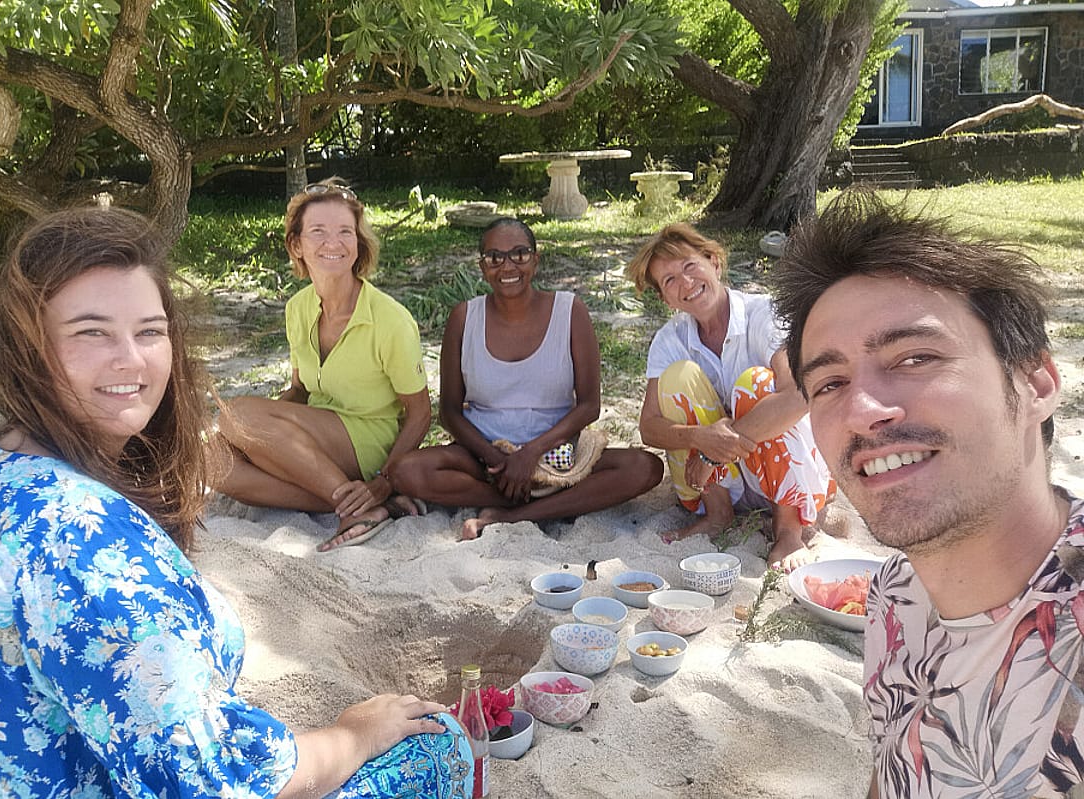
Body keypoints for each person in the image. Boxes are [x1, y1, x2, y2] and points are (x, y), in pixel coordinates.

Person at [0, 207, 471, 798]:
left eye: (149, 331)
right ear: (27, 348)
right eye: (92, 331)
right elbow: (222, 785)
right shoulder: (90, 546)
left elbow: (420, 408)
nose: (131, 359)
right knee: (437, 742)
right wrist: (355, 733)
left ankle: (355, 498)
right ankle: (348, 502)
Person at [772, 192, 1080, 799]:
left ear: (1036, 383)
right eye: (830, 383)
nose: (862, 411)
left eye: (915, 357)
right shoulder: (895, 591)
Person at [390, 217, 663, 540]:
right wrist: (499, 460)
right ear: (482, 266)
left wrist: (530, 454)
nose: (507, 266)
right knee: (407, 471)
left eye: (519, 254)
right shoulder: (465, 318)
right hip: (484, 458)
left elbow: (589, 405)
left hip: (559, 454)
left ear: (535, 259)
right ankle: (531, 501)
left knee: (646, 468)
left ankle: (516, 514)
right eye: (494, 257)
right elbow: (449, 411)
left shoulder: (569, 311)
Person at [215, 180, 432, 552]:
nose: (334, 242)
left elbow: (421, 414)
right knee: (211, 458)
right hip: (316, 440)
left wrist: (384, 480)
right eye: (318, 231)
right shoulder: (298, 308)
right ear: (296, 244)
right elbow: (300, 390)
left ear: (358, 243)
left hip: (371, 443)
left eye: (345, 231)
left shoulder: (391, 320)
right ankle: (354, 502)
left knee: (235, 414)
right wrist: (261, 440)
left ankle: (363, 502)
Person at [626, 222, 836, 571]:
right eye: (670, 281)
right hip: (718, 484)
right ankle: (717, 514)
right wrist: (700, 438)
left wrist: (715, 450)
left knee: (754, 383)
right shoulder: (670, 339)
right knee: (679, 378)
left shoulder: (761, 314)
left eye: (690, 267)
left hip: (791, 480)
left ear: (714, 262)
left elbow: (798, 395)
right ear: (664, 298)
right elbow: (649, 427)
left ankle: (787, 530)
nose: (686, 284)